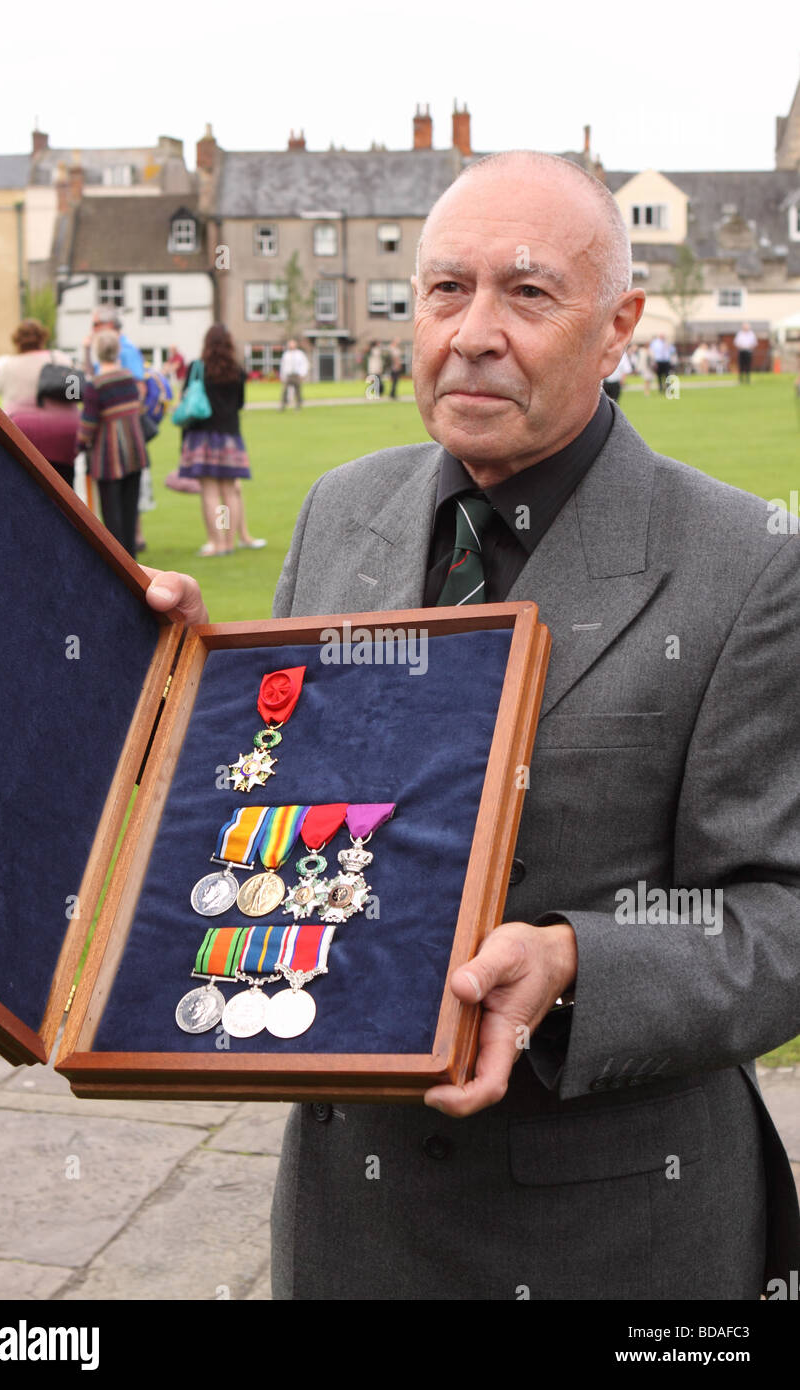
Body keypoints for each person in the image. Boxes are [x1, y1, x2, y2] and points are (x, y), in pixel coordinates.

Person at [146, 150, 800, 1301]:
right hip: (352, 1221)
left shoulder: (745, 565)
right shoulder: (345, 509)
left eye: (529, 292)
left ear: (618, 328)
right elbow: (279, 806)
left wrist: (574, 960)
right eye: (444, 290)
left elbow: (782, 919)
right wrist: (181, 708)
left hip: (610, 1237)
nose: (474, 330)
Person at [178, 324, 264, 556]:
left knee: (210, 492)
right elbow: (239, 404)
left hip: (202, 436)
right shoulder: (236, 371)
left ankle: (216, 543)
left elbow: (185, 400)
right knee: (230, 492)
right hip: (229, 438)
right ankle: (228, 542)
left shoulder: (197, 368)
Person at [78, 329, 146, 556]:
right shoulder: (129, 378)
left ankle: (121, 569)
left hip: (109, 456)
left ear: (98, 353)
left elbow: (88, 424)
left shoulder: (95, 385)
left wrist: (78, 446)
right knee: (130, 513)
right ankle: (134, 566)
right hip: (135, 452)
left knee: (112, 518)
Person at [0, 318, 80, 488]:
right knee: (64, 488)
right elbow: (76, 392)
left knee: (28, 489)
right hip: (65, 431)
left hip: (24, 432)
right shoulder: (61, 358)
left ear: (17, 341)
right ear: (42, 338)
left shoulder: (8, 365)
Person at [278, 339, 309, 410]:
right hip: (288, 375)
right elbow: (283, 365)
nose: (291, 346)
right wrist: (282, 375)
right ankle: (283, 404)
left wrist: (303, 374)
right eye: (290, 344)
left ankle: (298, 404)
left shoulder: (300, 354)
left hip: (297, 375)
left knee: (298, 390)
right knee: (284, 390)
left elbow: (305, 364)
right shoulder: (286, 354)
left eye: (292, 344)